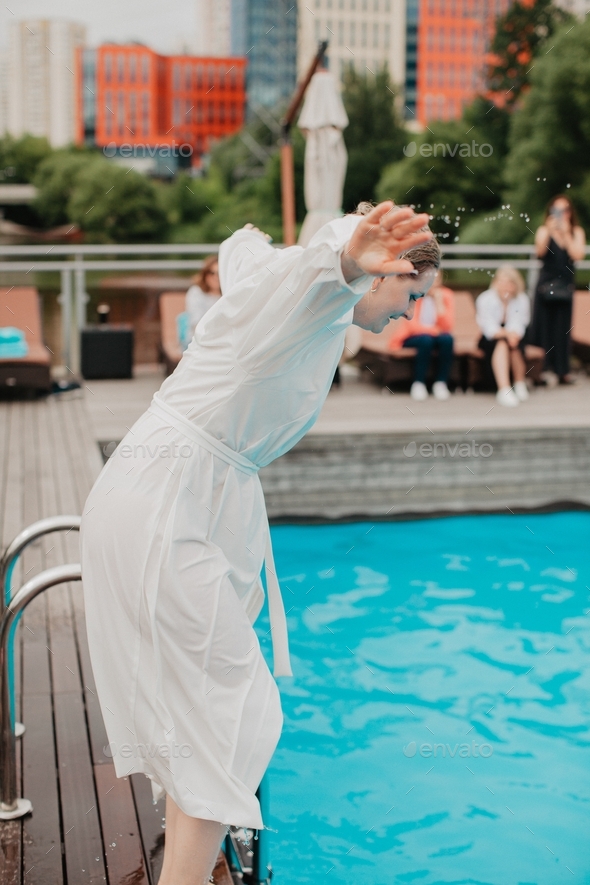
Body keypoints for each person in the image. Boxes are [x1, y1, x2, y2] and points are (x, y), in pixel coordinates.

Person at [80, 202, 440, 885]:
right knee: (232, 707)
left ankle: (195, 860)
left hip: (162, 494)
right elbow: (311, 277)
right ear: (383, 274)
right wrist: (344, 258)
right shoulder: (312, 300)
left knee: (193, 700)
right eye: (412, 296)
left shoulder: (289, 298)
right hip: (166, 503)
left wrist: (266, 242)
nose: (410, 313)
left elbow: (247, 257)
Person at [530, 195, 585, 384]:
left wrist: (566, 235)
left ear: (570, 213)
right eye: (557, 210)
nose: (562, 215)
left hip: (565, 286)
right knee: (542, 328)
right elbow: (539, 252)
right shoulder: (544, 230)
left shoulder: (576, 231)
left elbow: (577, 255)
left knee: (563, 329)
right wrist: (550, 230)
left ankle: (562, 370)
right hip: (546, 286)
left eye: (565, 210)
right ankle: (541, 370)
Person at [389, 268, 454, 400]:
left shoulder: (447, 295)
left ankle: (441, 383)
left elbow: (447, 327)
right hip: (413, 337)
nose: (433, 283)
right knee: (426, 340)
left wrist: (439, 303)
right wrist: (434, 331)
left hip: (436, 337)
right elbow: (412, 325)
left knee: (448, 340)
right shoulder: (415, 294)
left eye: (436, 279)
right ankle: (418, 383)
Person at [476, 266, 530, 407]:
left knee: (514, 346)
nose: (506, 286)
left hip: (515, 338)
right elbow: (488, 327)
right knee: (502, 342)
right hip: (490, 340)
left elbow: (521, 323)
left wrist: (513, 336)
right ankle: (504, 388)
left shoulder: (522, 299)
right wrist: (507, 334)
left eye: (510, 283)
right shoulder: (485, 298)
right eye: (503, 282)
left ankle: (519, 383)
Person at [180, 255, 222, 348]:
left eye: (219, 273)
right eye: (211, 273)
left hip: (222, 340)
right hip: (197, 340)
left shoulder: (228, 294)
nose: (215, 277)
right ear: (205, 274)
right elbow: (196, 323)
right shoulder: (196, 292)